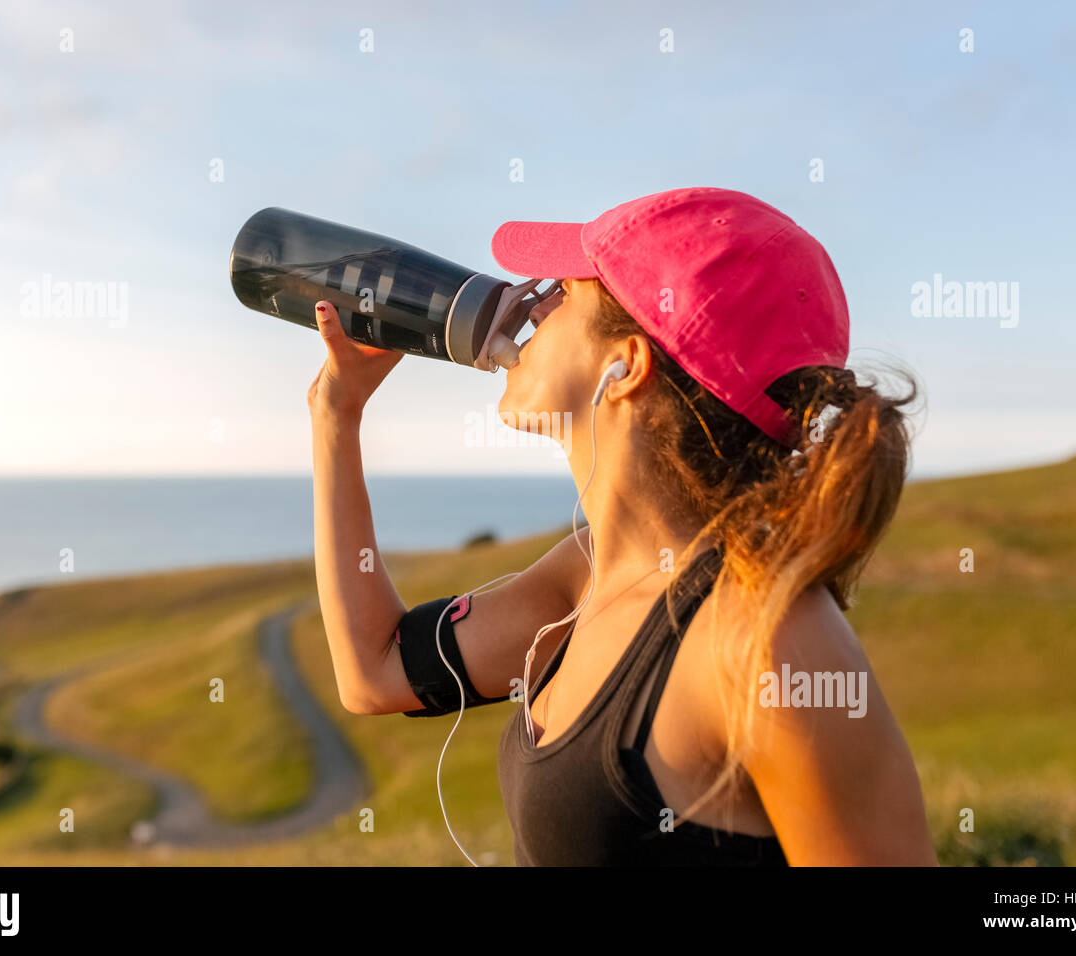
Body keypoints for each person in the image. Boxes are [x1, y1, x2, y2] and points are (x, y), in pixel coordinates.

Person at [308, 186, 937, 866]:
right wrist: (334, 416)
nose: (531, 304)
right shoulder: (584, 576)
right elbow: (374, 672)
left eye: (562, 293)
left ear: (626, 364)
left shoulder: (767, 637)